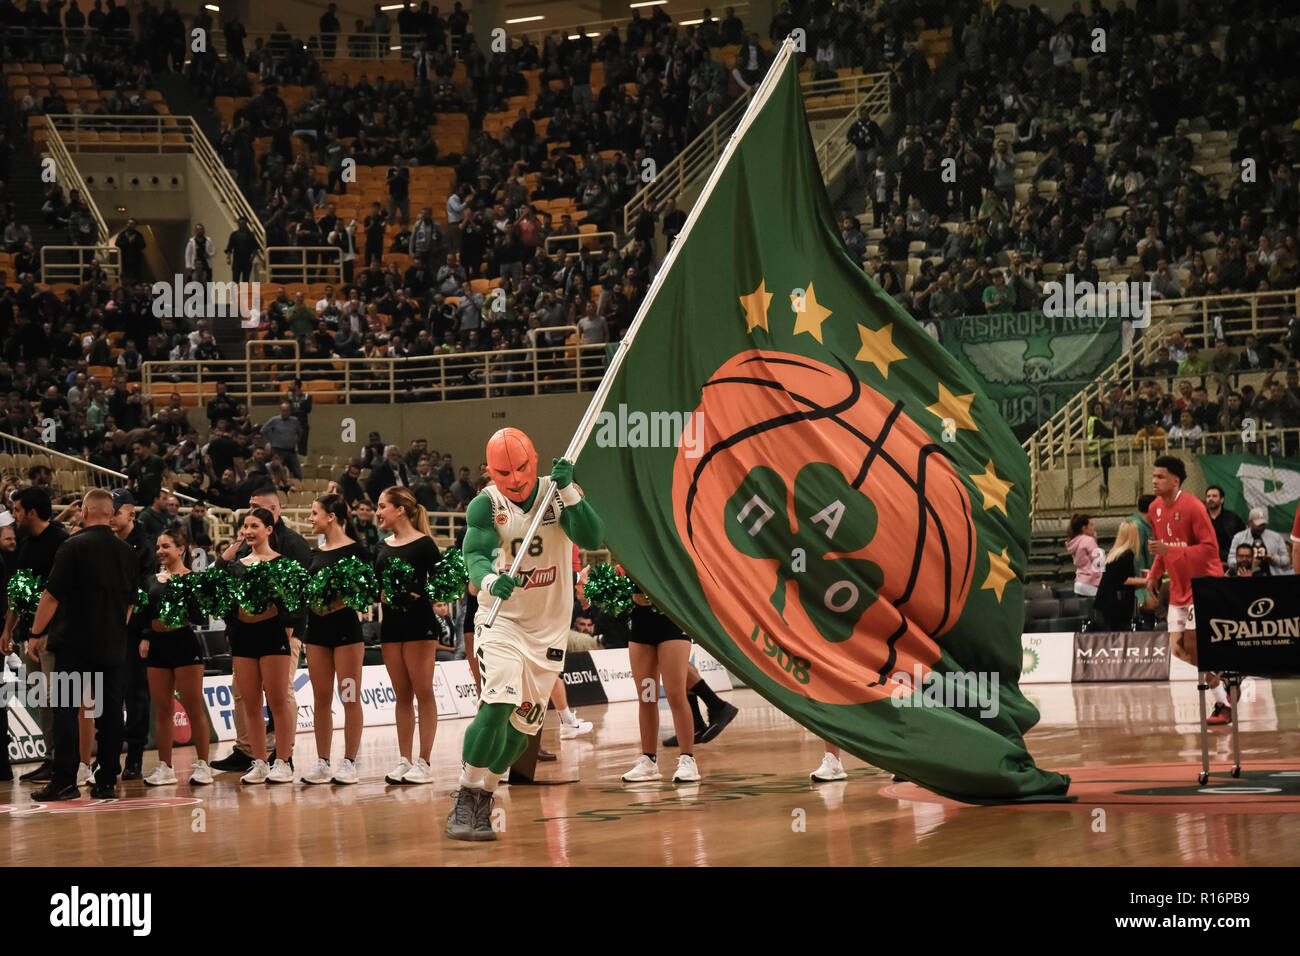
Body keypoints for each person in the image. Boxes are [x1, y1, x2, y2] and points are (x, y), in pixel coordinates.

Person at [445, 428, 604, 841]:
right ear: (489, 471)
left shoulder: (559, 491)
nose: (514, 479)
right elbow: (475, 554)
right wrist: (486, 578)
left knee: (523, 729)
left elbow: (592, 536)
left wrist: (569, 491)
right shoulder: (486, 505)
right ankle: (465, 793)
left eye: (521, 469)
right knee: (498, 702)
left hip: (549, 631)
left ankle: (486, 793)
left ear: (535, 459)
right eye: (503, 472)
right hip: (503, 622)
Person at [28, 489, 136, 801]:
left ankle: (64, 782)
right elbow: (130, 604)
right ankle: (106, 782)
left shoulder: (72, 546)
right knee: (111, 714)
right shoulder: (127, 552)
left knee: (65, 711)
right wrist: (115, 627)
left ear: (86, 512)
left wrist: (36, 634)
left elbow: (51, 596)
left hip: (73, 644)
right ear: (111, 514)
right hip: (113, 645)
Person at [210, 487, 311, 772]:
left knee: (281, 695)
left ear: (273, 513)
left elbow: (298, 594)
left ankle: (284, 757)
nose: (249, 516)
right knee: (243, 695)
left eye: (256, 510)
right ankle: (251, 755)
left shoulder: (294, 545)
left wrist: (292, 629)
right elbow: (227, 590)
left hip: (280, 634)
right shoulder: (242, 548)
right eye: (246, 520)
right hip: (245, 636)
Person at [1146, 456, 1229, 721]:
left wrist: (1170, 550)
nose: (1154, 480)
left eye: (1160, 477)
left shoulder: (1193, 506)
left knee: (1194, 647)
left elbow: (1209, 549)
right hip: (1179, 587)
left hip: (1203, 583)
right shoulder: (1154, 508)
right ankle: (1226, 681)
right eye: (1154, 476)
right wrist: (1155, 574)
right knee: (1178, 650)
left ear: (1175, 480)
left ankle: (1222, 703)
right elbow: (1162, 545)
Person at [0, 488, 70, 784]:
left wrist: (44, 631)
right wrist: (8, 629)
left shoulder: (62, 541)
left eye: (16, 510)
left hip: (55, 635)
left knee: (60, 699)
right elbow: (19, 590)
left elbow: (59, 594)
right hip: (31, 634)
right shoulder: (26, 544)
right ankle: (51, 758)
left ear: (31, 511)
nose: (13, 516)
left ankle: (67, 763)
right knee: (42, 698)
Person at [301, 494, 371, 785]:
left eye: (315, 513)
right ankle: (322, 761)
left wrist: (335, 604)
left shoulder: (358, 551)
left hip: (346, 634)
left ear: (331, 516)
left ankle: (350, 762)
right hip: (316, 633)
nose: (310, 518)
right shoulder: (313, 555)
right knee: (320, 699)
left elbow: (365, 594)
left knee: (350, 697)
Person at [375, 486, 441, 785]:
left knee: (423, 692)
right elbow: (376, 587)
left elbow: (442, 585)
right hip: (391, 626)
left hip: (420, 626)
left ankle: (424, 762)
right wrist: (382, 593)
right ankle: (404, 759)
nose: (378, 512)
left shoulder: (425, 544)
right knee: (401, 695)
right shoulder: (381, 545)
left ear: (400, 509)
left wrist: (415, 592)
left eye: (382, 506)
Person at [140, 528, 213, 786]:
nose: (160, 551)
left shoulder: (193, 579)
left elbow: (200, 616)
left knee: (194, 707)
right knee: (162, 709)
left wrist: (182, 589)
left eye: (166, 546)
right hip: (158, 647)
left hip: (184, 644)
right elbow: (145, 614)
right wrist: (146, 636)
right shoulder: (151, 580)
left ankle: (203, 765)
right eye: (158, 546)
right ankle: (165, 767)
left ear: (181, 549)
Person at [618, 581, 700, 784]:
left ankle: (688, 759)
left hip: (672, 617)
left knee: (675, 694)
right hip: (639, 618)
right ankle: (648, 761)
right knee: (647, 696)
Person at [110, 488, 159, 780]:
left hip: (135, 633)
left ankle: (135, 758)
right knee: (111, 697)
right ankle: (109, 758)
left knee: (136, 695)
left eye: (116, 512)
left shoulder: (147, 548)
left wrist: (146, 633)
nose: (111, 517)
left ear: (130, 513)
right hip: (109, 631)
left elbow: (149, 594)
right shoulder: (107, 542)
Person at [1090, 521, 1148, 630]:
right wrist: (1147, 580)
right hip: (1115, 607)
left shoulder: (1114, 553)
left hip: (1104, 605)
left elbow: (1118, 581)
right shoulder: (1127, 554)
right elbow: (1125, 580)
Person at [1227, 507, 1293, 576]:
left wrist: (1274, 559)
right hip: (1245, 575)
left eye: (1263, 524)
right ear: (1250, 522)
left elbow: (1286, 560)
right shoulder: (1239, 537)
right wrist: (1247, 562)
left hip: (1272, 576)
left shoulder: (1276, 537)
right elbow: (1230, 560)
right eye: (1258, 524)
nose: (1261, 527)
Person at [1205, 485, 1246, 567]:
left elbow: (1243, 540)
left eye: (1214, 496)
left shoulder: (1233, 518)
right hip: (1205, 560)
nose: (1210, 499)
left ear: (1222, 500)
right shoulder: (1200, 517)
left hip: (1228, 561)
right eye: (1208, 496)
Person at [1066, 513, 1103, 597]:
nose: (1094, 528)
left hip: (1079, 583)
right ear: (1084, 528)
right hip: (1090, 584)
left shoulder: (1075, 541)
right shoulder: (1088, 540)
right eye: (1091, 525)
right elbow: (1099, 563)